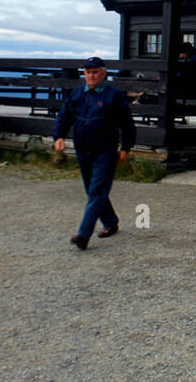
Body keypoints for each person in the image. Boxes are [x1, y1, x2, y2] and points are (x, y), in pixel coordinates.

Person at [53, 57, 136, 250]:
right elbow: (64, 115)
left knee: (97, 191)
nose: (91, 75)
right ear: (84, 74)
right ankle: (110, 221)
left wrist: (125, 148)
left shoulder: (113, 95)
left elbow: (127, 124)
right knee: (93, 190)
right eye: (88, 72)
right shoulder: (77, 93)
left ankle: (83, 235)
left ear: (104, 74)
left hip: (105, 151)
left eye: (95, 72)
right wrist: (59, 136)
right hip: (83, 149)